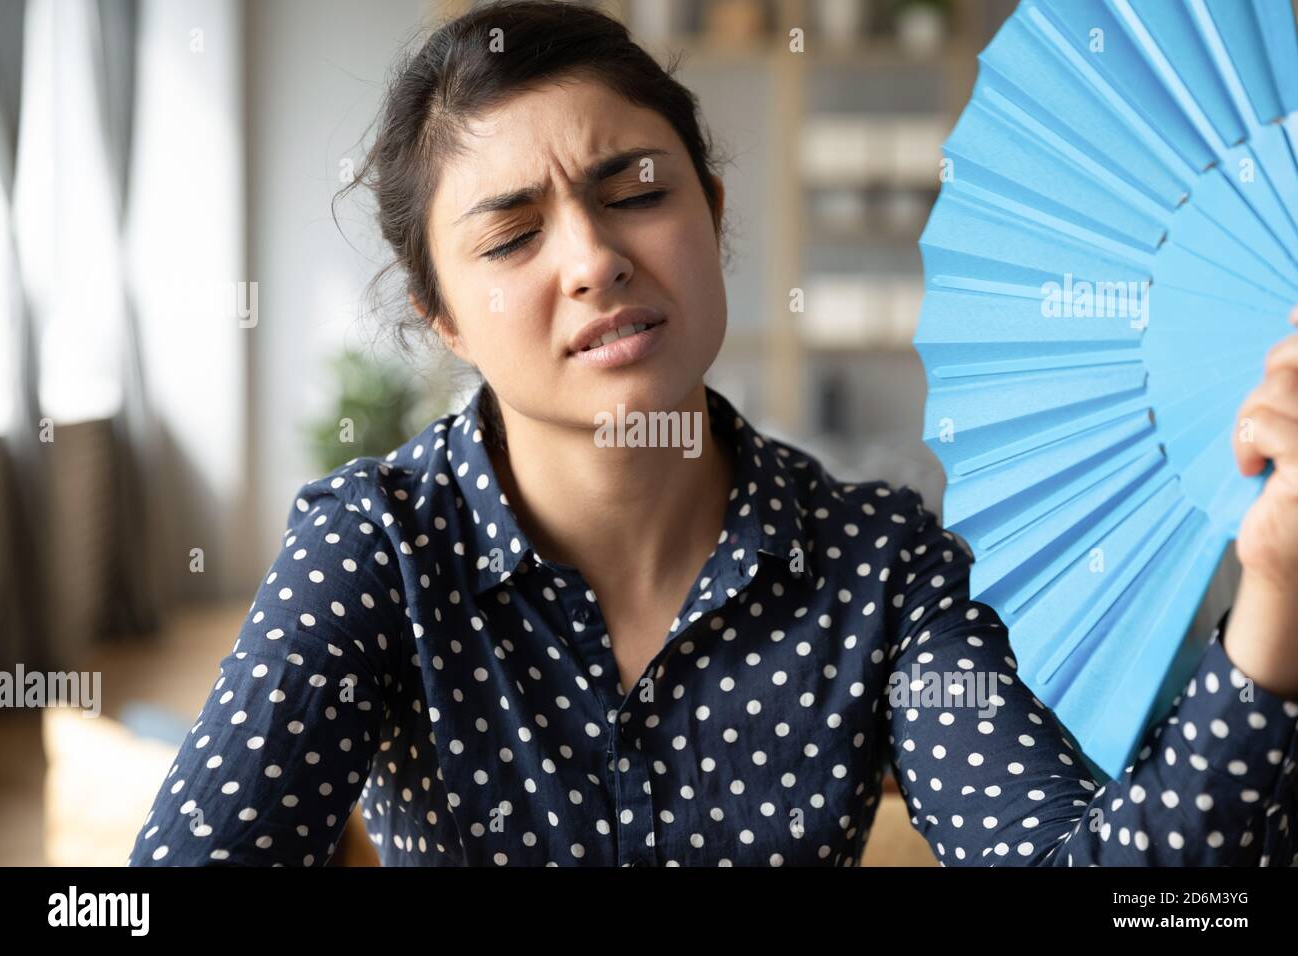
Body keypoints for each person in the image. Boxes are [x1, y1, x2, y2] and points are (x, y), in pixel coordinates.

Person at [128, 0, 1298, 867]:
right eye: (510, 237)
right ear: (441, 318)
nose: (593, 259)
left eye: (635, 187)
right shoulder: (373, 552)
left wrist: (1278, 594)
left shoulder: (878, 575)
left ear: (711, 208)